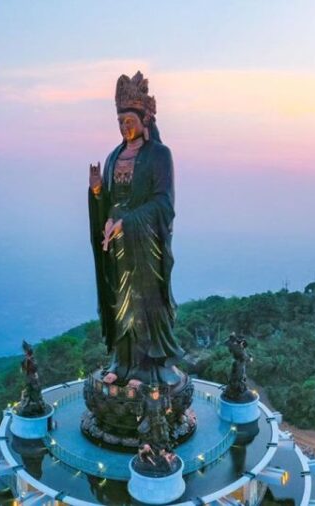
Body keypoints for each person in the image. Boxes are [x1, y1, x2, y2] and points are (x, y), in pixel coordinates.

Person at [88, 71, 184, 387]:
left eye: (129, 121)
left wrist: (127, 222)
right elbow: (111, 203)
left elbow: (164, 204)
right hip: (116, 244)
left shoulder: (159, 154)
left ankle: (147, 368)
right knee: (120, 301)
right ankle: (122, 361)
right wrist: (98, 193)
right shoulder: (113, 157)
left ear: (144, 120)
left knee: (144, 302)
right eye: (120, 122)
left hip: (144, 245)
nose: (124, 127)